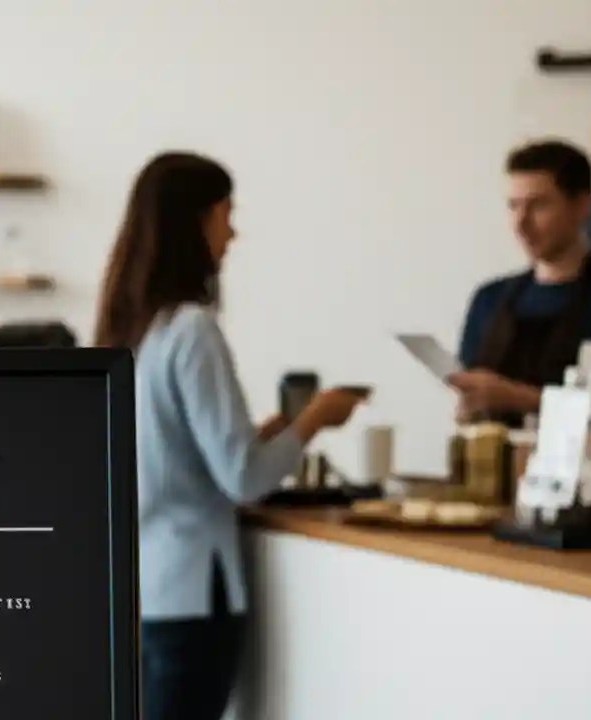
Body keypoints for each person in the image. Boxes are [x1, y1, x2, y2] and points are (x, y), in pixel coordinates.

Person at [93, 152, 364, 720]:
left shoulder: (131, 329)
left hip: (137, 592)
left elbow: (165, 451)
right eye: (226, 213)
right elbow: (244, 478)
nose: (233, 232)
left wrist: (266, 432)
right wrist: (314, 418)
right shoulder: (192, 328)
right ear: (197, 220)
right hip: (194, 595)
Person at [452, 140, 591, 426]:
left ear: (582, 205)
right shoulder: (488, 299)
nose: (521, 222)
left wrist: (514, 397)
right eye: (513, 205)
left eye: (538, 205)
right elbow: (467, 404)